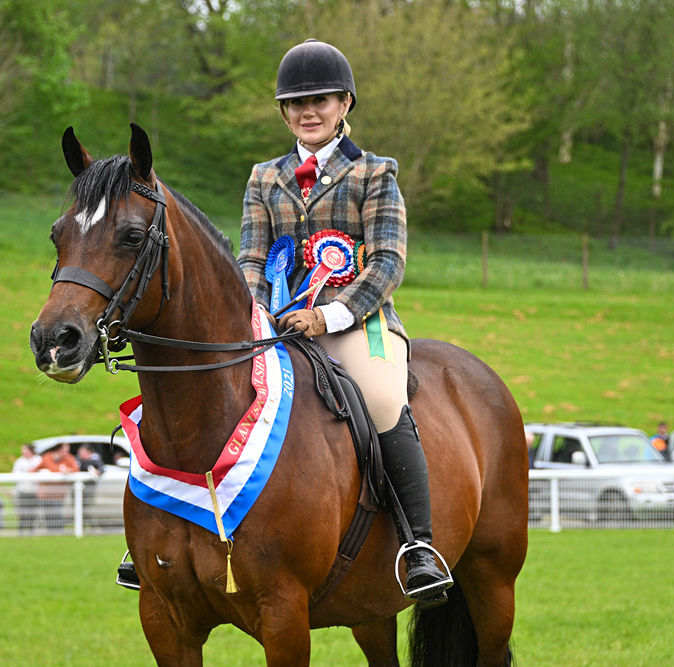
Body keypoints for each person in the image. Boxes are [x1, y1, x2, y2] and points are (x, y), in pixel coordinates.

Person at [237, 38, 451, 607]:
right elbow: (253, 258)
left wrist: (329, 312)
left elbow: (387, 262)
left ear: (345, 103)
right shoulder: (263, 178)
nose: (308, 111)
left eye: (320, 100)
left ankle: (418, 546)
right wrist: (258, 312)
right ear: (284, 112)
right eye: (296, 103)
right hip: (278, 320)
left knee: (382, 401)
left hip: (357, 321)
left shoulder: (376, 173)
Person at [32, 442, 79, 533]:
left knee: (57, 516)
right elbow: (34, 470)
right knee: (48, 517)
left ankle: (58, 534)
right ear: (59, 450)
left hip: (58, 495)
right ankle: (50, 536)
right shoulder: (47, 458)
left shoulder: (69, 459)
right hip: (45, 495)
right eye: (65, 451)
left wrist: (70, 471)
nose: (67, 452)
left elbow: (76, 469)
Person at [11, 444, 40, 535]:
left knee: (32, 512)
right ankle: (21, 531)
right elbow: (14, 473)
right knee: (22, 512)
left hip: (34, 490)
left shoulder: (37, 460)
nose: (23, 452)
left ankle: (31, 531)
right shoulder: (20, 461)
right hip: (22, 490)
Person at [76, 444, 104, 529]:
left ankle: (91, 525)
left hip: (89, 488)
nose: (80, 454)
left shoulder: (94, 460)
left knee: (88, 506)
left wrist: (97, 471)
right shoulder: (79, 460)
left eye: (82, 452)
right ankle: (82, 525)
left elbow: (101, 468)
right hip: (80, 488)